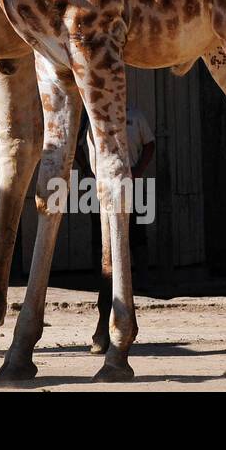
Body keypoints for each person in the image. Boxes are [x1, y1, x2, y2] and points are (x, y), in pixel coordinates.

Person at [78, 104, 155, 354]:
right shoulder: (93, 117)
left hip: (127, 182)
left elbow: (149, 144)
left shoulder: (135, 115)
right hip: (103, 187)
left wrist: (137, 173)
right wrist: (90, 173)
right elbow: (82, 147)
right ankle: (110, 309)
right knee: (102, 244)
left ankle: (141, 280)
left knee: (135, 233)